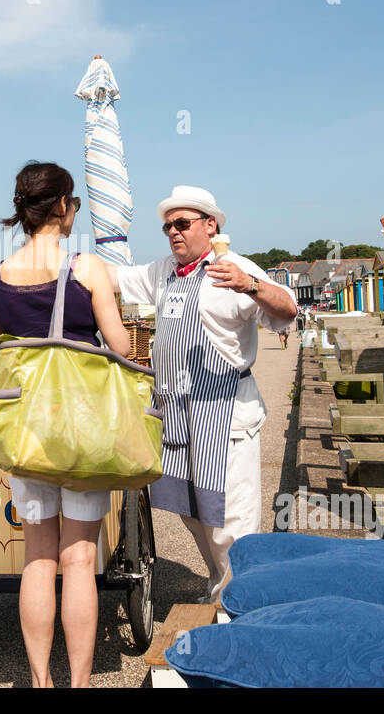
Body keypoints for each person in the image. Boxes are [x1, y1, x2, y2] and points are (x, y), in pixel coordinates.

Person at [107, 185, 297, 603]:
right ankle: (220, 588)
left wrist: (250, 285)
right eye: (167, 226)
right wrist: (49, 260)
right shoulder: (161, 273)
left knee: (232, 520)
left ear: (210, 226)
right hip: (178, 416)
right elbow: (111, 278)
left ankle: (241, 604)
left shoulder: (235, 267)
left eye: (182, 223)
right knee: (194, 509)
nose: (173, 232)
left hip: (225, 415)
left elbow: (288, 308)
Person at [0, 161, 131, 688]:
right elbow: (121, 347)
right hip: (83, 432)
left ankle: (41, 681)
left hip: (27, 433)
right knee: (81, 556)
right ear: (63, 206)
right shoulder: (85, 268)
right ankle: (81, 684)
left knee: (39, 559)